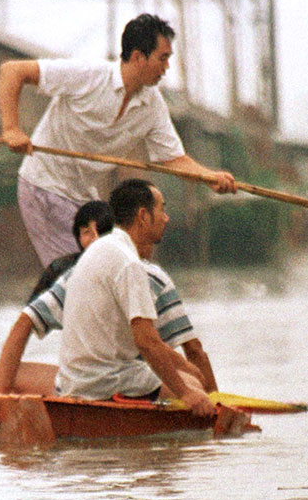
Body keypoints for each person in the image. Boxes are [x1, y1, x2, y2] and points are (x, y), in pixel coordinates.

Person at [0, 13, 236, 267]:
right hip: (43, 187)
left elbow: (174, 160)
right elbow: (12, 71)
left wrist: (209, 178)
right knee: (81, 276)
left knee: (117, 266)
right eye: (162, 59)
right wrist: (12, 129)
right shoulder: (89, 75)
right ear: (137, 57)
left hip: (82, 197)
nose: (166, 68)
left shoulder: (152, 104)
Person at [0, 201, 217, 399]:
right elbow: (173, 347)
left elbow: (158, 346)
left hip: (99, 379)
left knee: (191, 378)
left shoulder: (82, 272)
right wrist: (206, 394)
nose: (94, 239)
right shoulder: (93, 272)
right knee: (193, 382)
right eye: (86, 232)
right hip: (106, 381)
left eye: (98, 232)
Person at [55, 178, 216, 416]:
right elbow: (146, 342)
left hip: (71, 381)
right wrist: (187, 393)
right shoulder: (130, 263)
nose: (166, 218)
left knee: (186, 375)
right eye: (162, 209)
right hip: (103, 382)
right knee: (194, 387)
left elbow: (143, 340)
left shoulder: (102, 248)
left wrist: (182, 365)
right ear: (143, 216)